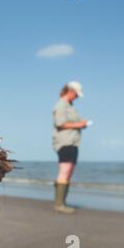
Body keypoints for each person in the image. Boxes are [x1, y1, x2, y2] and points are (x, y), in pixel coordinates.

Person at [52, 81, 89, 214]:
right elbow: (60, 123)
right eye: (76, 94)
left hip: (72, 142)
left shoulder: (70, 105)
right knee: (65, 170)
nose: (77, 97)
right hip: (65, 142)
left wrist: (81, 124)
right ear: (70, 91)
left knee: (69, 171)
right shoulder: (61, 104)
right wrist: (79, 125)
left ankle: (62, 202)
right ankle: (59, 204)